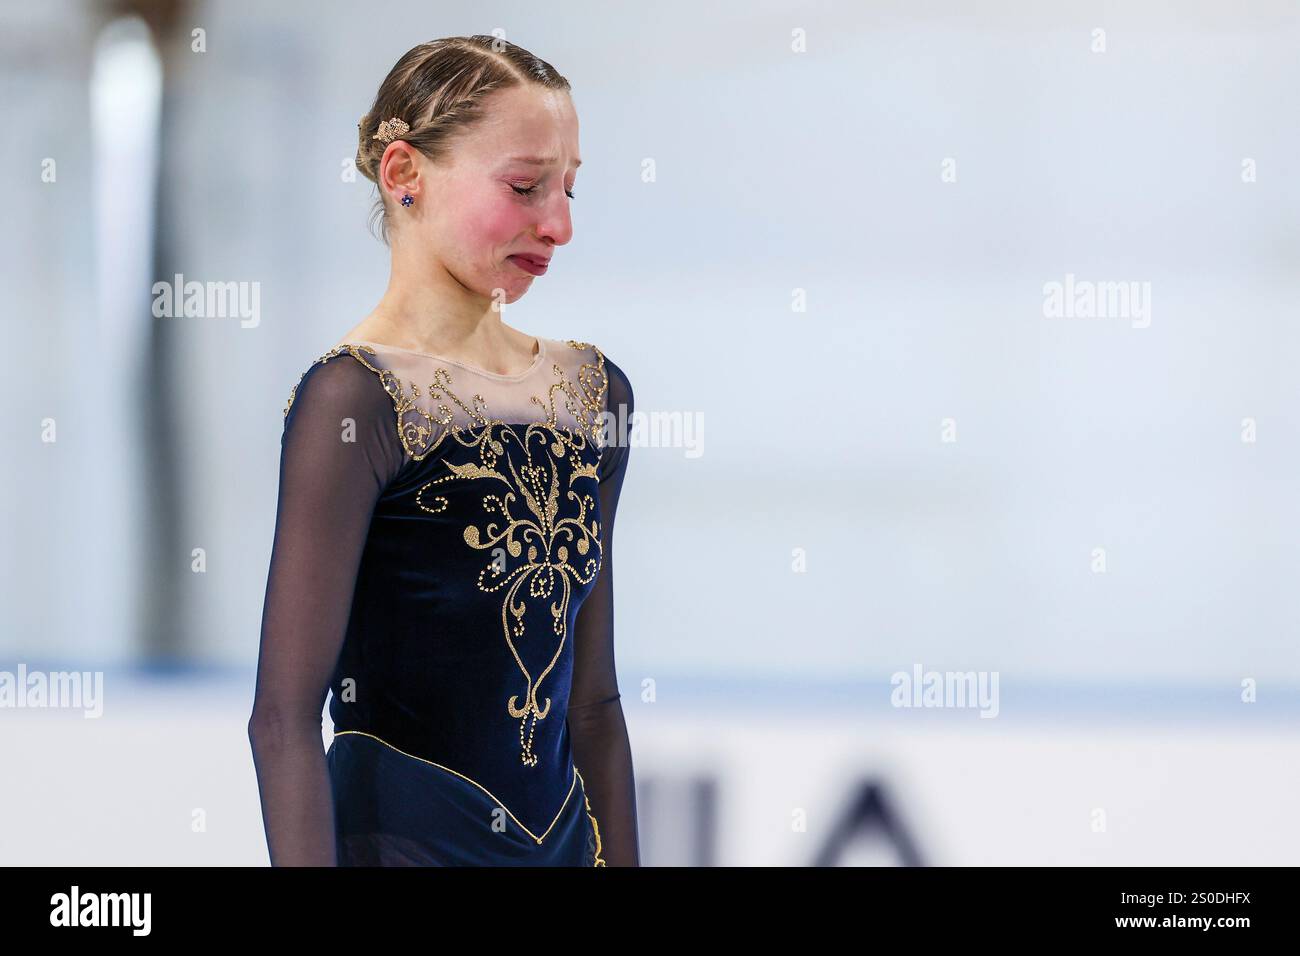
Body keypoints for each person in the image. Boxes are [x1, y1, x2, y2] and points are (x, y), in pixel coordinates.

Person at [247, 36, 638, 866]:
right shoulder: (355, 400)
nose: (560, 224)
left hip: (563, 842)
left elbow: (593, 704)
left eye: (570, 187)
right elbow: (282, 718)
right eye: (526, 186)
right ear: (403, 174)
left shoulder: (592, 394)